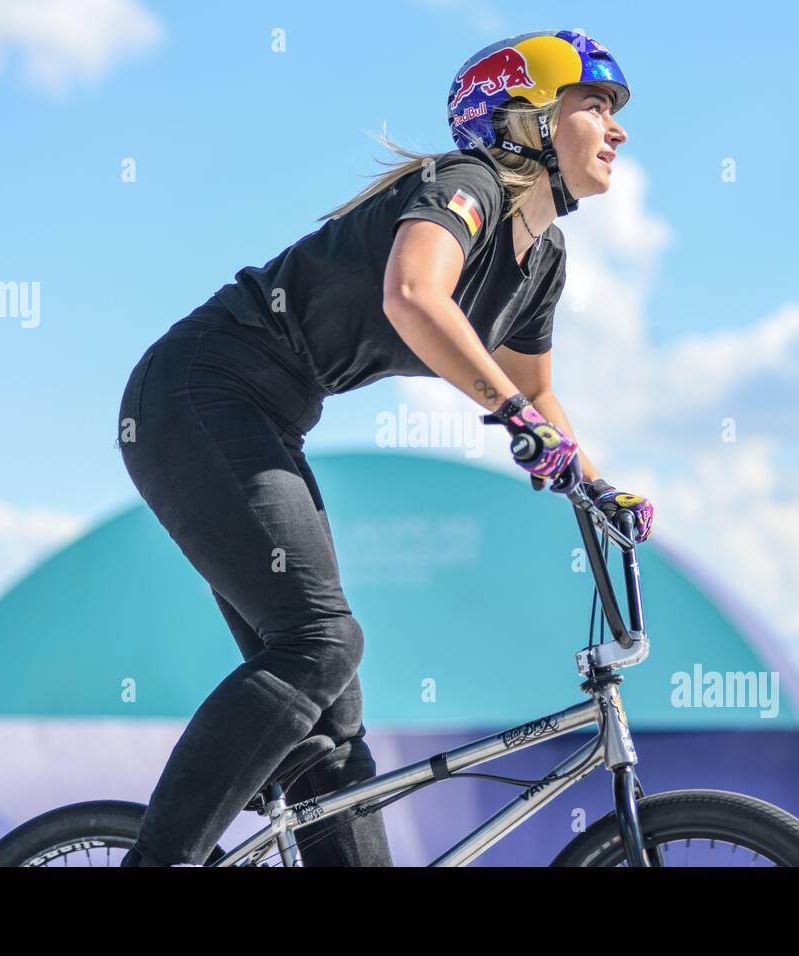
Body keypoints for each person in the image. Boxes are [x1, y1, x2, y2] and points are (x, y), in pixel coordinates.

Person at [116, 30, 653, 867]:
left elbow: (540, 394)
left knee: (332, 727)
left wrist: (598, 486)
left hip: (265, 415)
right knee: (322, 643)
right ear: (531, 119)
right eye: (595, 106)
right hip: (198, 393)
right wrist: (516, 418)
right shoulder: (468, 184)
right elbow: (413, 295)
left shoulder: (543, 258)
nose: (617, 127)